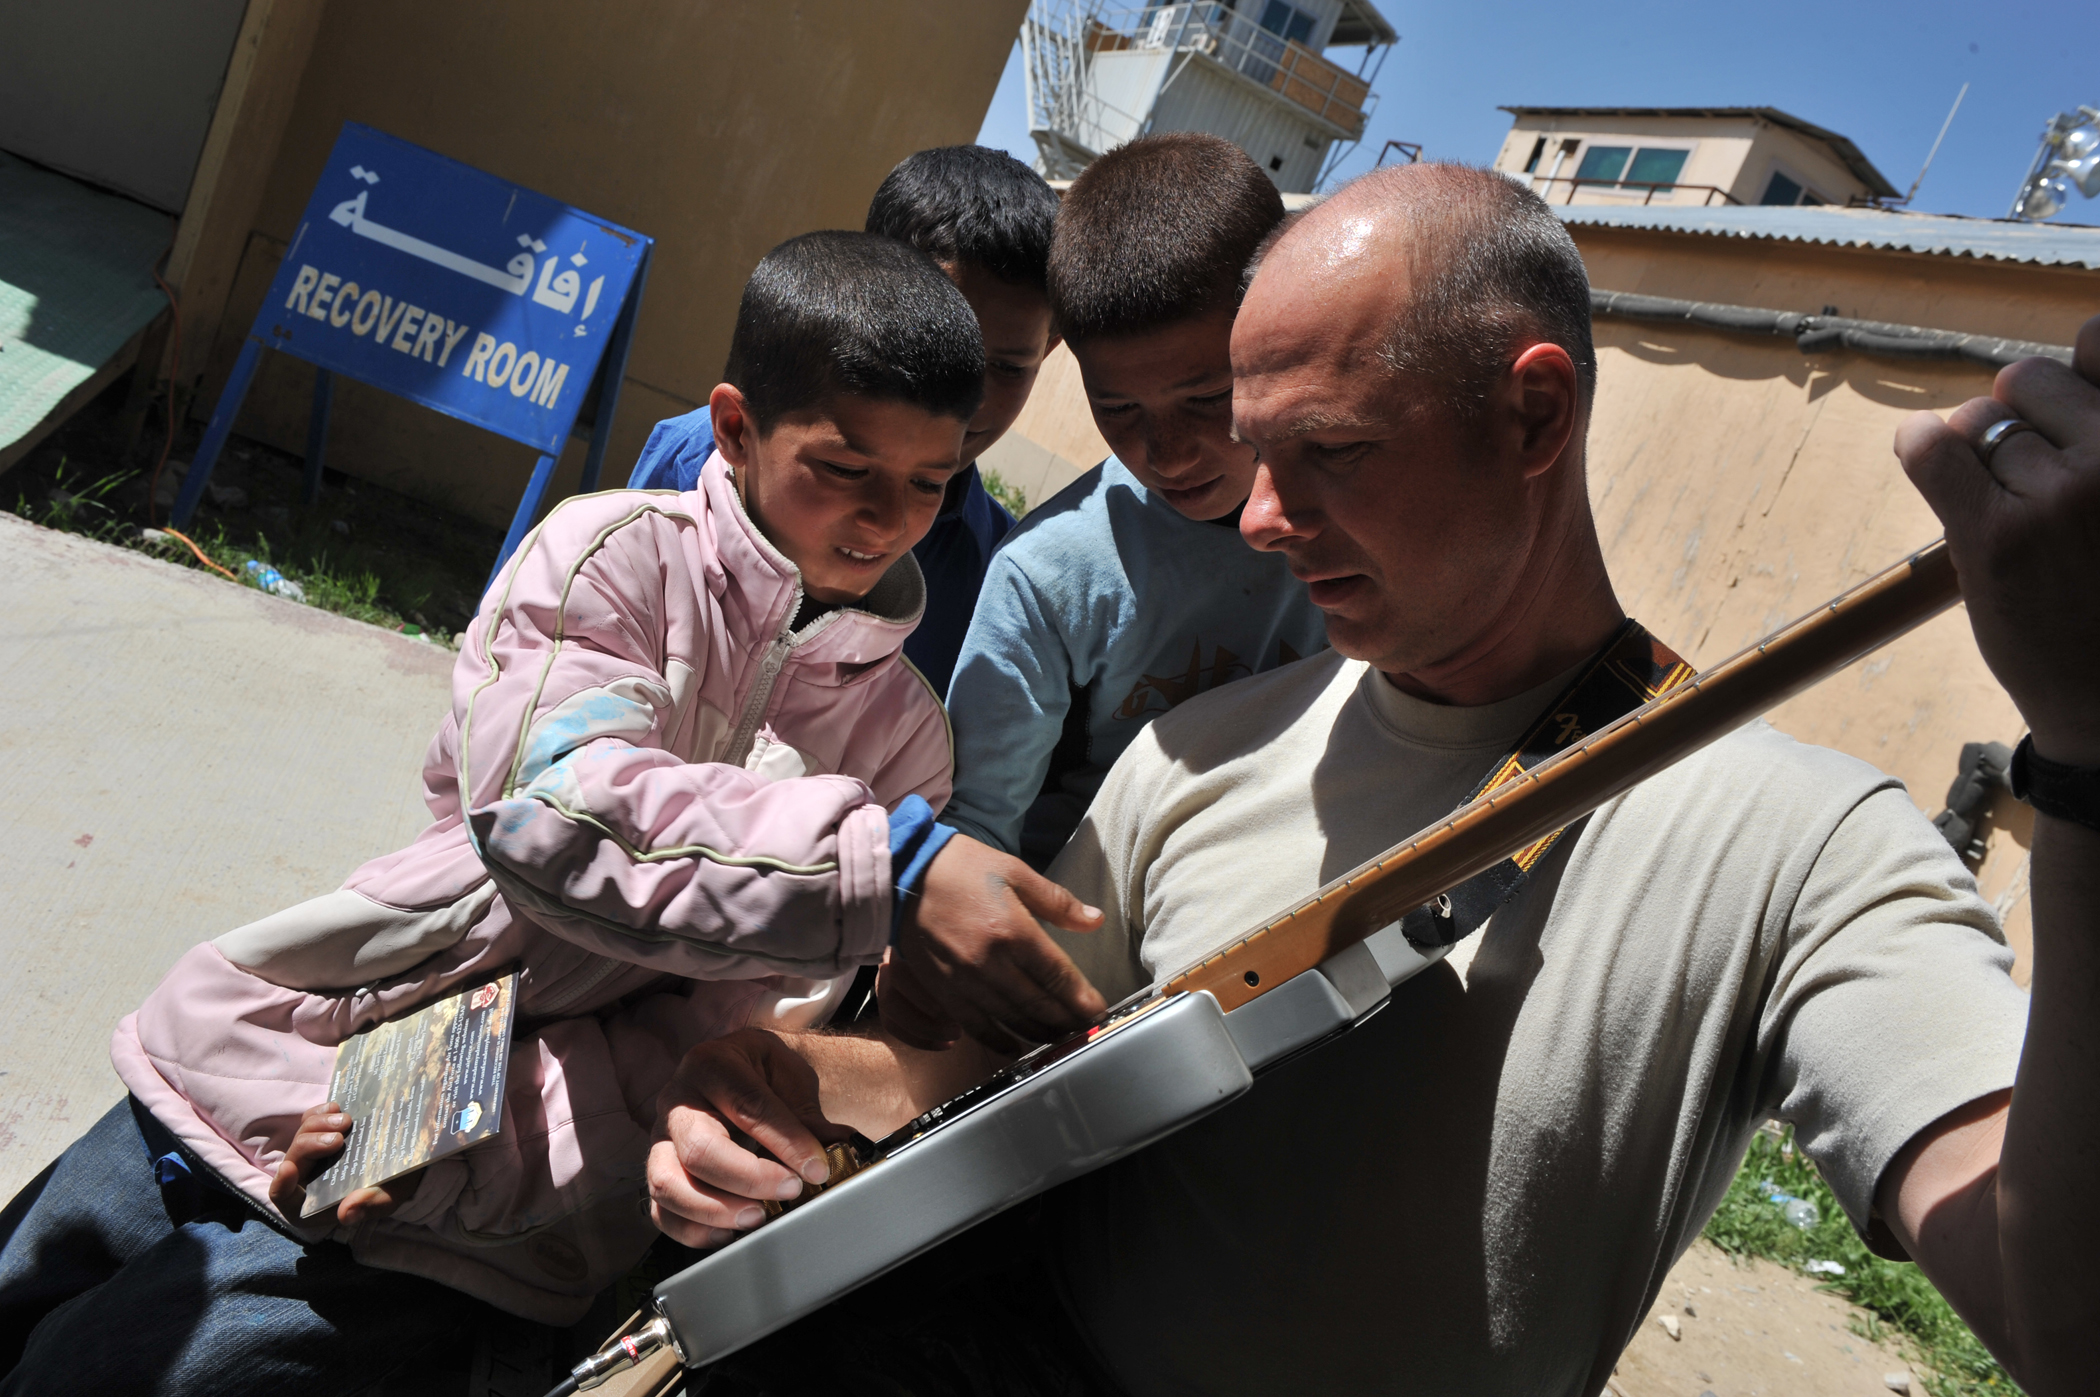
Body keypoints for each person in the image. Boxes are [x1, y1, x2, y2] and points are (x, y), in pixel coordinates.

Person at [647, 165, 2100, 1396]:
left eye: (1326, 451)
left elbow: (2059, 1320)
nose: (1262, 519)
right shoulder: (1190, 755)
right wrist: (778, 1093)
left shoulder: (1803, 844)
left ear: (1535, 418)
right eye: (1254, 452)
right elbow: (966, 1072)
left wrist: (2087, 746)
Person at [0, 230, 1103, 1395]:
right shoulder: (610, 556)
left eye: (928, 482)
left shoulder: (902, 743)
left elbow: (702, 1042)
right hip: (275, 1049)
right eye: (843, 467)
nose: (885, 518)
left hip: (472, 1206)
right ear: (734, 427)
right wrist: (894, 861)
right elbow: (546, 815)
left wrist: (429, 1149)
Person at [935, 133, 1329, 875]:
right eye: (1117, 408)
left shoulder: (1355, 522)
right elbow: (976, 834)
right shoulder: (1046, 575)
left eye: (1210, 398)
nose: (1169, 452)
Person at [627, 145, 1062, 697]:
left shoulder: (999, 568)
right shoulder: (695, 456)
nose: (965, 395)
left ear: (1048, 350)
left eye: (1006, 366)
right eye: (931, 346)